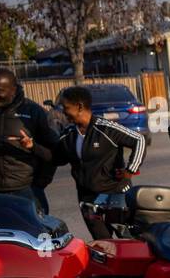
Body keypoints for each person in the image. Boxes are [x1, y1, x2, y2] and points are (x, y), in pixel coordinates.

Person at [57, 85, 146, 238]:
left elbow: (139, 140)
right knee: (103, 243)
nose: (63, 112)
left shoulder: (105, 128)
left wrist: (130, 170)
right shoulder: (69, 133)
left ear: (79, 107)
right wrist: (32, 147)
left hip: (116, 194)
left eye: (66, 108)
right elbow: (55, 158)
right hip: (87, 199)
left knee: (129, 240)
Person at [0, 68, 63, 214]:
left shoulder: (34, 111)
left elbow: (54, 152)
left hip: (25, 190)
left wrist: (40, 183)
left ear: (13, 89)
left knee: (37, 228)